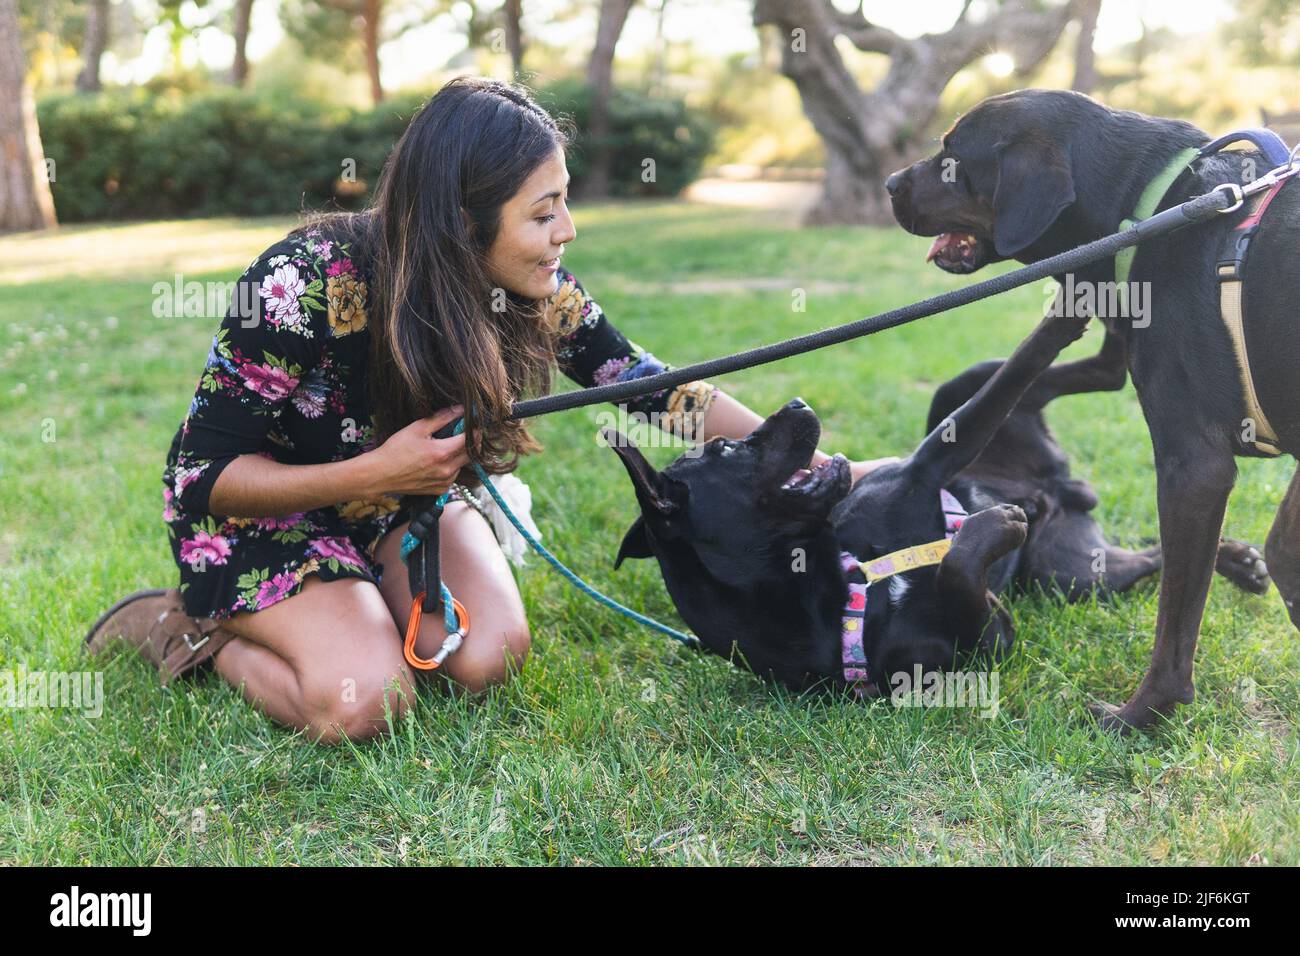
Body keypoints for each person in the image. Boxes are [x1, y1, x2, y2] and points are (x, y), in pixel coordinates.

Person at [85, 77, 894, 745]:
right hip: (263, 522)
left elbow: (644, 385)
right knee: (365, 703)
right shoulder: (300, 282)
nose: (566, 231)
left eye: (563, 203)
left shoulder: (529, 288)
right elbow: (202, 476)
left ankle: (357, 599)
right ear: (461, 222)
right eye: (543, 213)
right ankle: (191, 631)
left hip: (402, 505)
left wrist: (819, 468)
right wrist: (376, 471)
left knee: (487, 657)